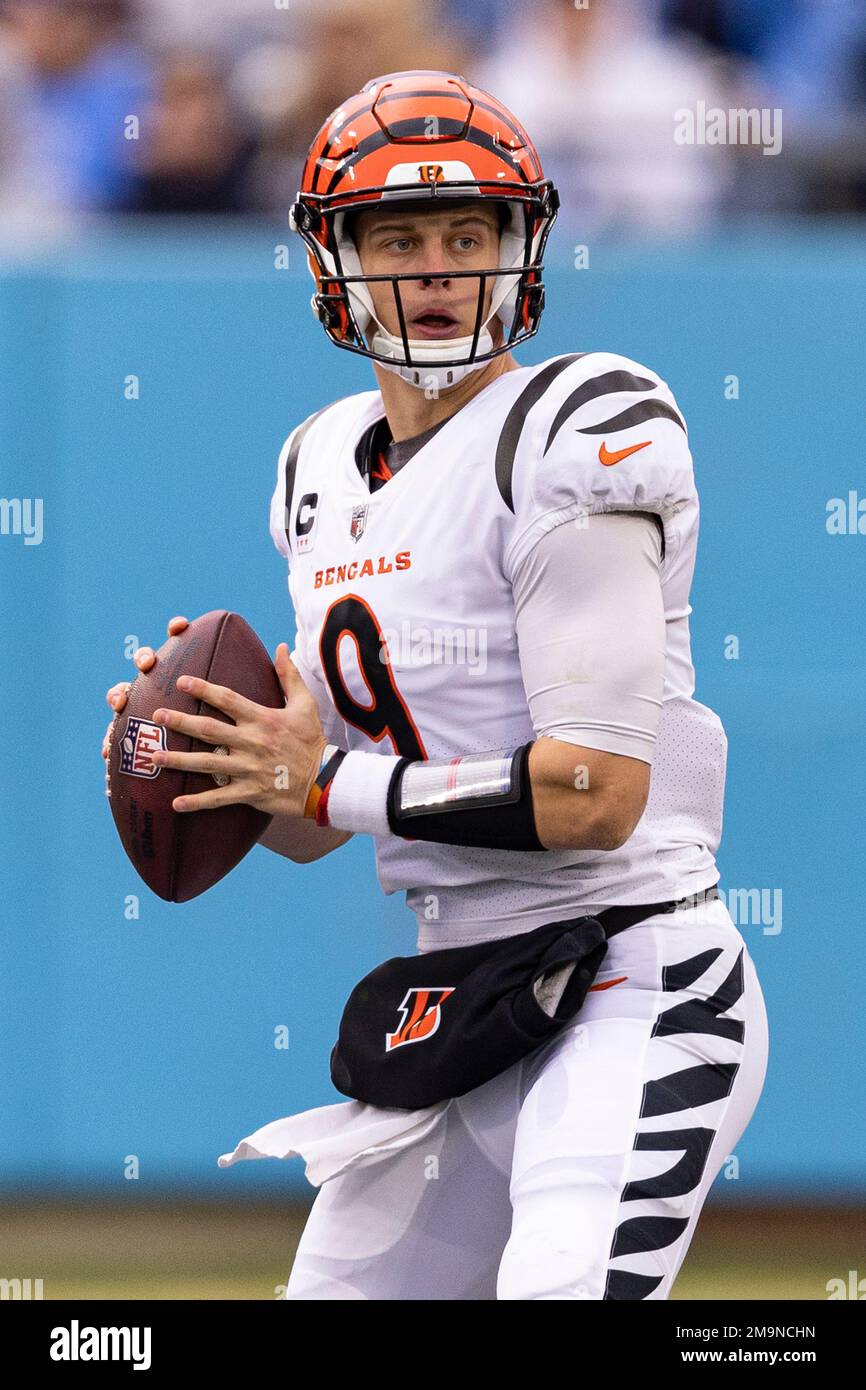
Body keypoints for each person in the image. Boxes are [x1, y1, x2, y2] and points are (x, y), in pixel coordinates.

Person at [102, 70, 768, 1300]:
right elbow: (322, 821)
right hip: (457, 995)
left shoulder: (572, 425)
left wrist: (324, 778)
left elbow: (592, 795)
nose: (437, 267)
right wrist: (225, 758)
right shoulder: (316, 465)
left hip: (630, 971)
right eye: (398, 237)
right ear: (331, 262)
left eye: (468, 233)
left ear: (521, 248)